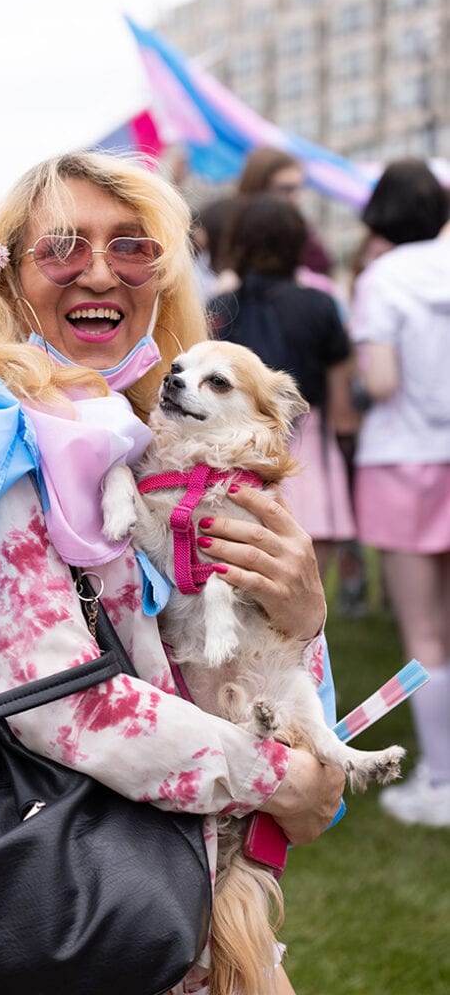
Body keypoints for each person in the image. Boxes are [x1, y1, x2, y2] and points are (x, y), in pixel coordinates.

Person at [0, 151, 345, 995]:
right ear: (8, 278)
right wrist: (285, 780)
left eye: (132, 247)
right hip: (74, 900)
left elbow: (257, 661)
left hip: (190, 892)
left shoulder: (167, 436)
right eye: (63, 247)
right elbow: (65, 705)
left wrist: (303, 616)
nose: (100, 272)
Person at [350, 158, 450, 828]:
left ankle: (440, 781)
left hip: (401, 460)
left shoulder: (381, 278)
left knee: (423, 634)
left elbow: (381, 382)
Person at [207, 194, 359, 579]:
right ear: (298, 242)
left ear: (239, 242)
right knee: (308, 585)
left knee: (238, 579)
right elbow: (341, 400)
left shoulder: (221, 307)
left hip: (237, 451)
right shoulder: (320, 304)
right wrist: (348, 446)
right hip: (309, 448)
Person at [236, 146, 334, 283]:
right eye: (285, 189)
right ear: (258, 186)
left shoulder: (301, 232)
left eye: (297, 189)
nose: (295, 199)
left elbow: (323, 268)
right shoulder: (230, 230)